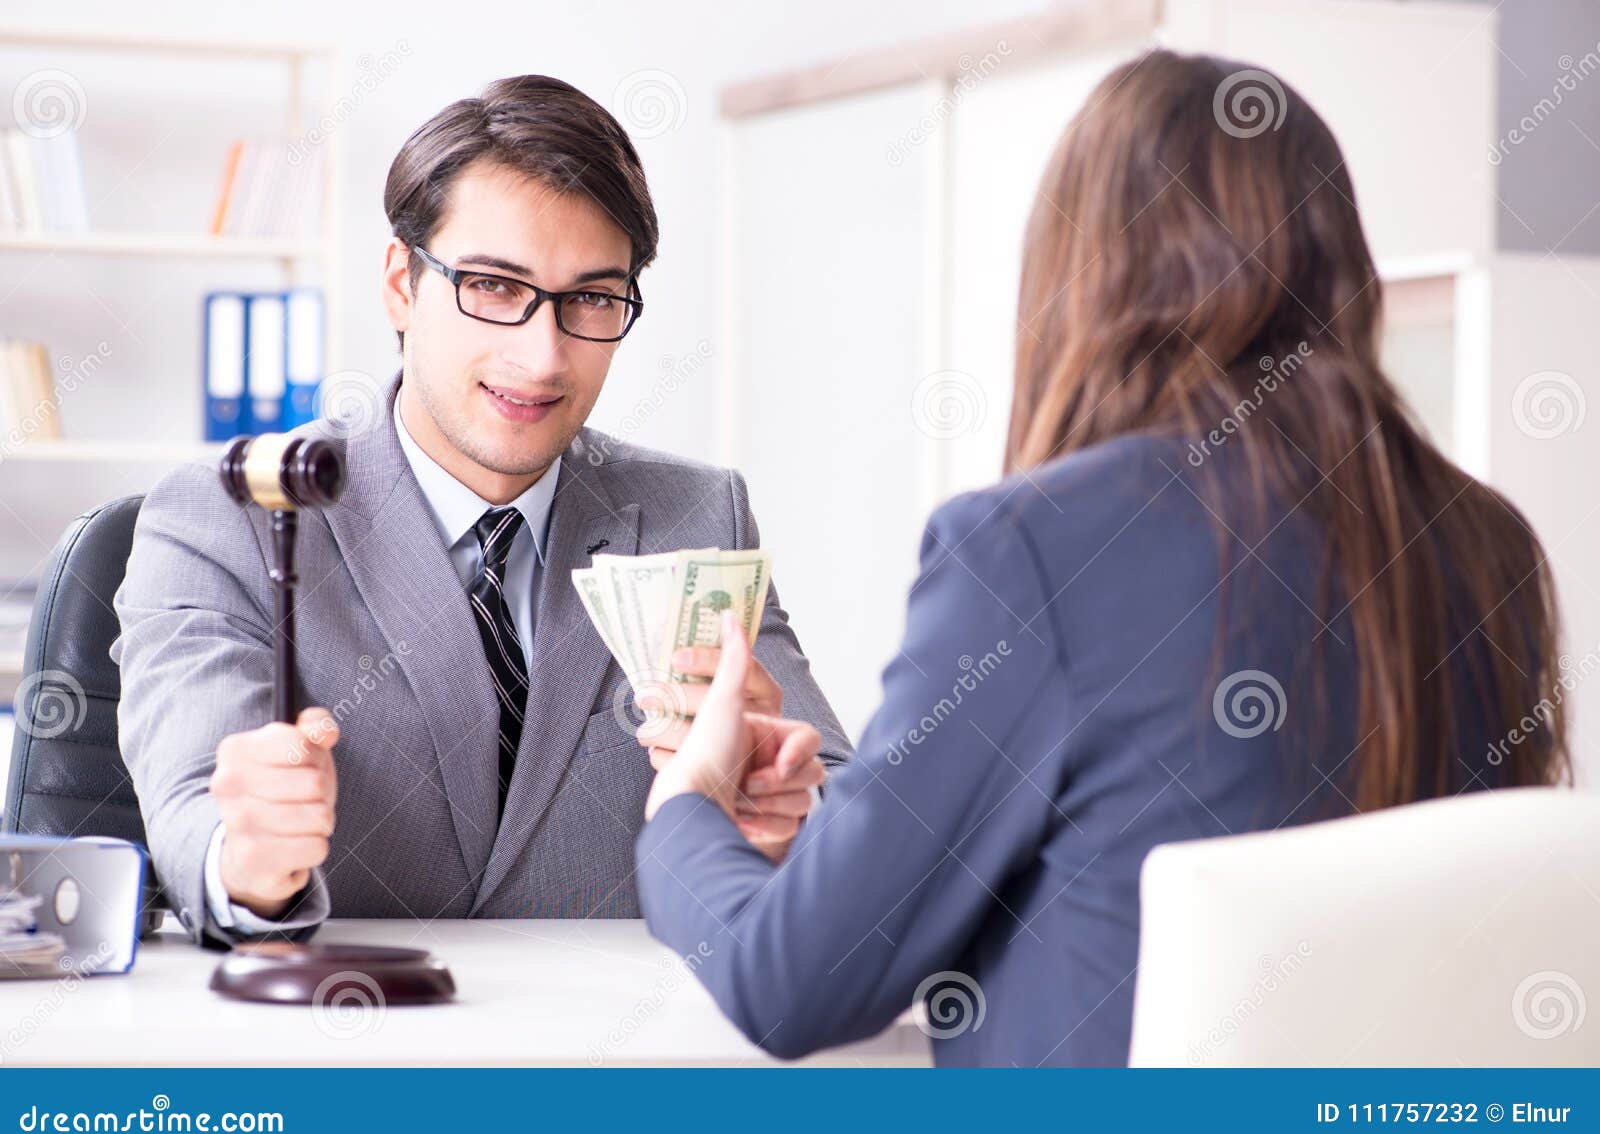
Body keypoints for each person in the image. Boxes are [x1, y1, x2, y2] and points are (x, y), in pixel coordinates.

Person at [631, 50, 1571, 1066]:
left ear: (1082, 276)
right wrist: (838, 849)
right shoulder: (1489, 544)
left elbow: (791, 984)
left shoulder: (1037, 547)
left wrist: (683, 809)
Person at [112, 76, 848, 950]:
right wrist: (249, 863)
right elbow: (198, 809)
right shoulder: (231, 512)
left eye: (591, 298)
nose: (542, 356)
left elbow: (841, 801)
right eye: (496, 287)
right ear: (400, 283)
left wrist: (790, 812)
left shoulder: (695, 512)